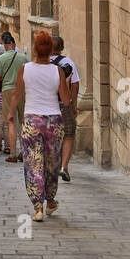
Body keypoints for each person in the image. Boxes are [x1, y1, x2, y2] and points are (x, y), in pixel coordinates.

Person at [16, 30, 70, 222]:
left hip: (32, 120)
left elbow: (17, 94)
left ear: (35, 49)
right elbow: (66, 100)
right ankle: (51, 200)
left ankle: (38, 207)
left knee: (33, 163)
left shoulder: (25, 68)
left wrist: (9, 113)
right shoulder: (58, 71)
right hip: (53, 122)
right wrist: (66, 84)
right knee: (51, 164)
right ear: (50, 51)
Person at [52, 36, 81, 182]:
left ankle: (52, 165)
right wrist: (74, 104)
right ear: (61, 48)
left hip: (46, 105)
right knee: (68, 134)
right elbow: (75, 85)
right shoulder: (68, 63)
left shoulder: (40, 62)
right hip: (64, 104)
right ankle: (64, 166)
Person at [0, 33, 24, 162]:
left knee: (11, 121)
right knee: (23, 122)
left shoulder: (1, 59)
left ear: (5, 46)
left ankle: (12, 153)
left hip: (7, 90)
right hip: (22, 90)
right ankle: (23, 150)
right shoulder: (24, 57)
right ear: (14, 45)